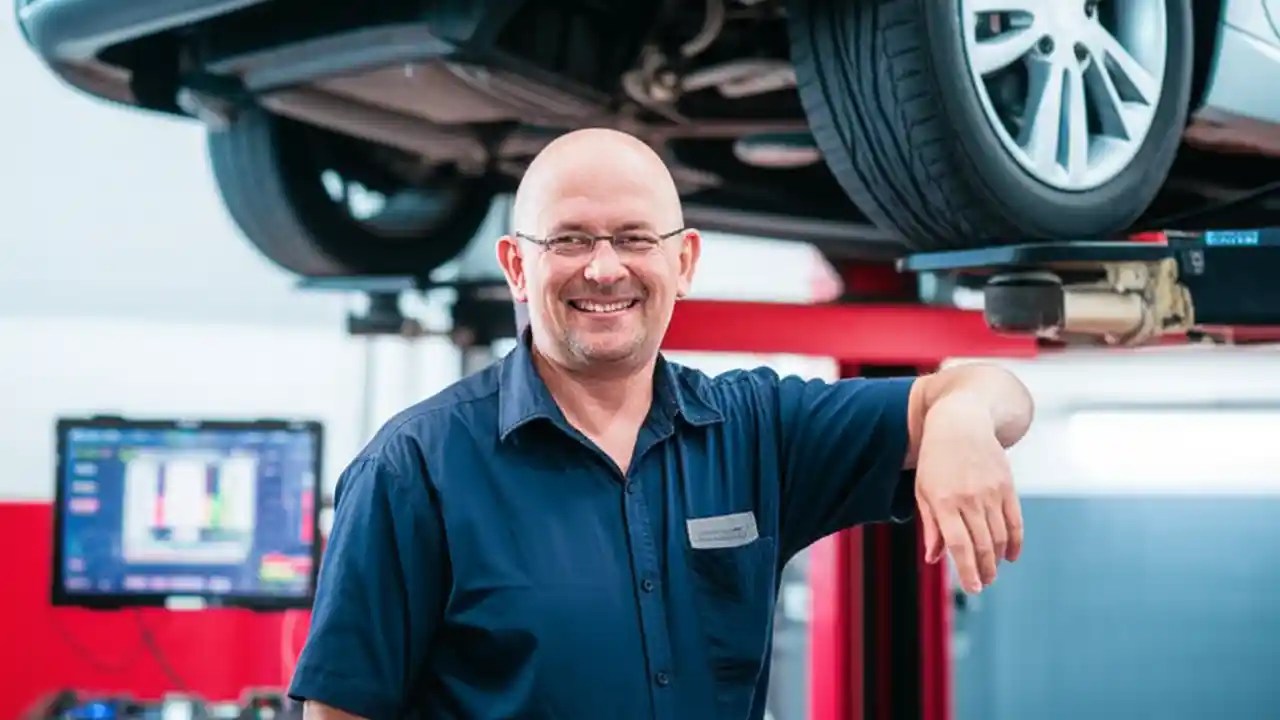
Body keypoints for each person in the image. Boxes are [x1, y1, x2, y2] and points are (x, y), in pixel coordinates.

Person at [287, 128, 1034, 720]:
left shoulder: (755, 432)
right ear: (517, 266)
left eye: (635, 238)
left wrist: (961, 418)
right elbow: (342, 709)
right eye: (571, 239)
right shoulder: (415, 469)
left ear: (684, 261)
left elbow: (996, 390)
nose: (605, 268)